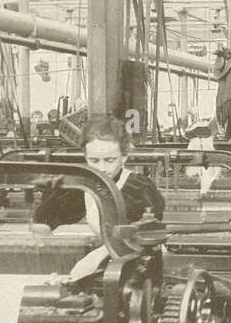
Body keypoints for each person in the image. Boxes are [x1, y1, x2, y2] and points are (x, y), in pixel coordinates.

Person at [32, 117, 164, 280]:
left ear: (124, 157)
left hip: (140, 265)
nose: (101, 168)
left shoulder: (139, 188)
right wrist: (48, 251)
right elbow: (46, 218)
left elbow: (136, 238)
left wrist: (93, 259)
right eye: (94, 160)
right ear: (85, 157)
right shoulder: (84, 186)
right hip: (107, 260)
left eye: (109, 160)